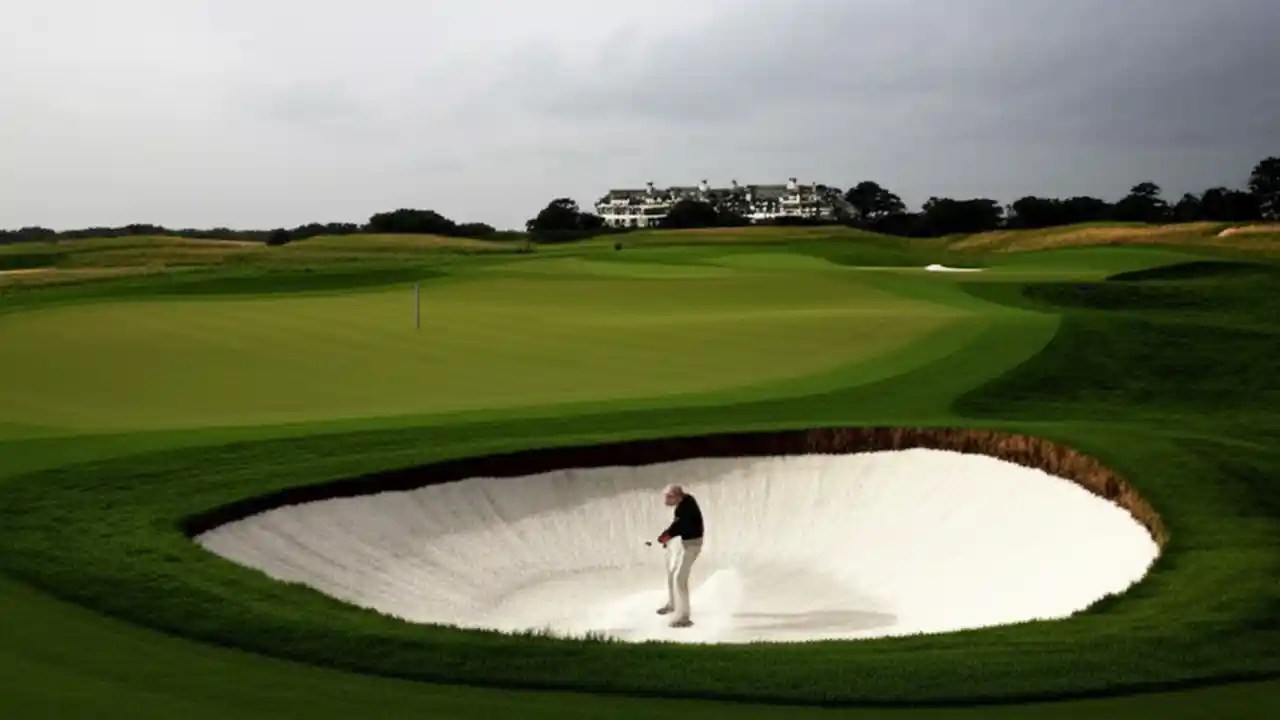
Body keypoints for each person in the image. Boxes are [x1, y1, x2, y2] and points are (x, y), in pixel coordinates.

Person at [655, 484, 703, 628]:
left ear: (677, 496)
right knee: (671, 573)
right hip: (684, 543)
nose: (666, 500)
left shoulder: (685, 507)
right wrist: (667, 536)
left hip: (692, 546)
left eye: (669, 497)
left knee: (680, 578)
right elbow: (678, 525)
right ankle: (672, 604)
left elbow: (680, 526)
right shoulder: (685, 502)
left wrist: (666, 536)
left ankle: (684, 616)